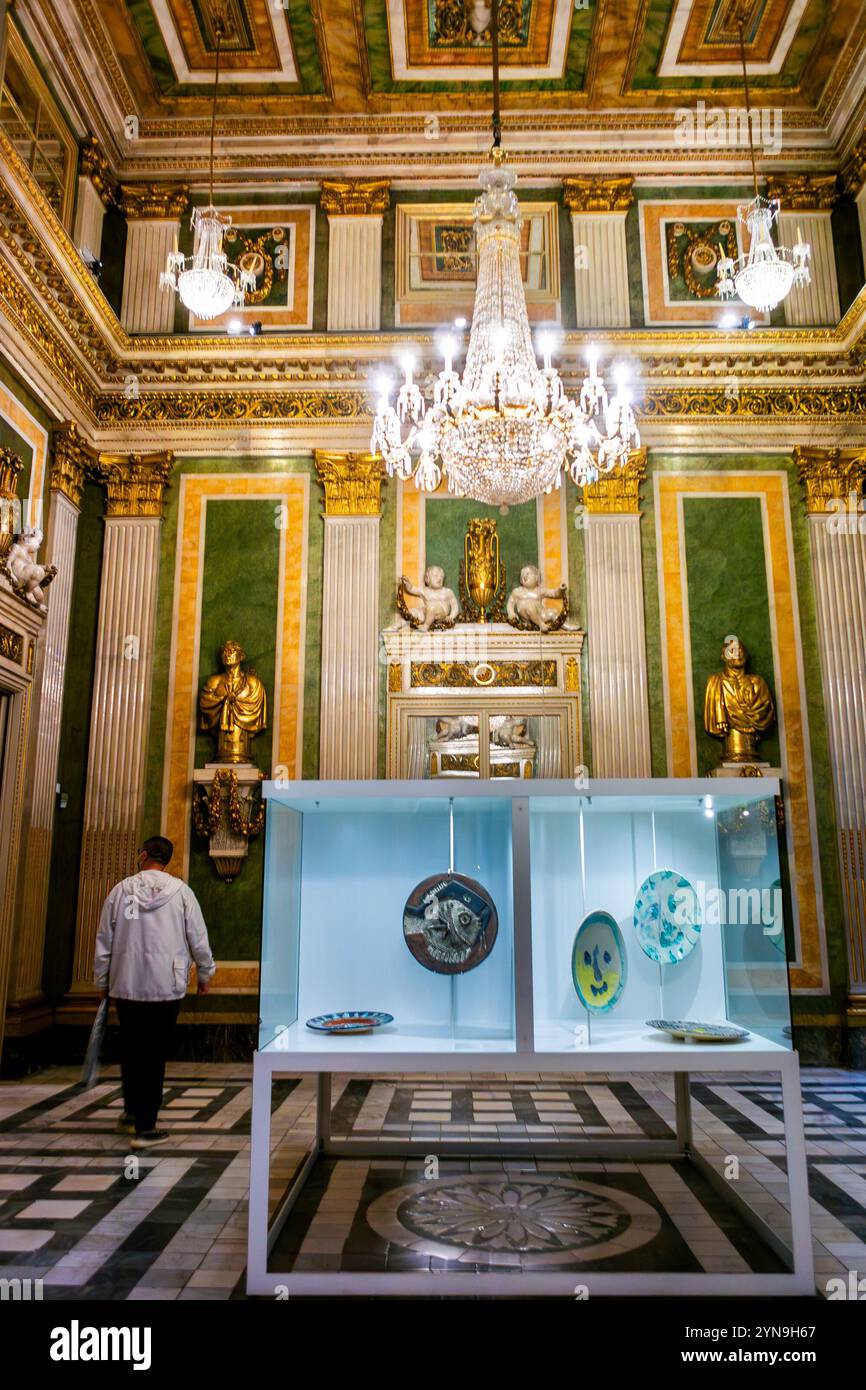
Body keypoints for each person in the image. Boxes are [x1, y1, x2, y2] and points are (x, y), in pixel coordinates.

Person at [93, 835, 215, 1149]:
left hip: (128, 983)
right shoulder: (181, 893)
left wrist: (102, 982)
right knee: (154, 1053)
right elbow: (197, 937)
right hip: (165, 984)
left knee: (132, 1050)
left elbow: (105, 940)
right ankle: (146, 1127)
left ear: (144, 855)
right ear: (167, 860)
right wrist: (205, 973)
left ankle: (133, 1113)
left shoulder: (122, 891)